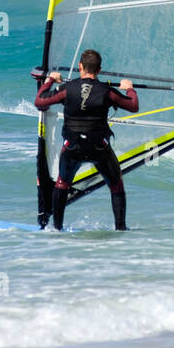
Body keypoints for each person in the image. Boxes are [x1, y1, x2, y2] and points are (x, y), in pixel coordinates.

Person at [34, 49, 138, 231]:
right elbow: (133, 105)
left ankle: (57, 229)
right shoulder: (107, 92)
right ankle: (121, 229)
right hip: (99, 148)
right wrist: (129, 88)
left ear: (80, 66)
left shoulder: (67, 90)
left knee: (62, 183)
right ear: (99, 70)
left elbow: (39, 102)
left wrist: (50, 80)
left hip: (72, 147)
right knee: (116, 185)